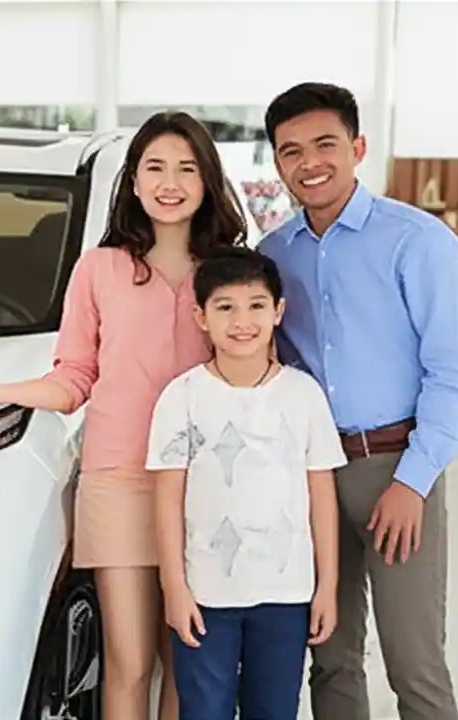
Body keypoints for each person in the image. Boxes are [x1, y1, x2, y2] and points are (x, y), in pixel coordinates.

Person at [0, 111, 248, 720]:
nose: (170, 182)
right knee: (128, 662)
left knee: (191, 660)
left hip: (212, 482)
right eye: (155, 167)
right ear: (133, 181)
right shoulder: (99, 270)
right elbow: (75, 378)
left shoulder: (231, 272)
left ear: (208, 180)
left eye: (187, 168)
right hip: (119, 477)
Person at [258, 81, 458, 720]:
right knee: (329, 657)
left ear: (357, 147)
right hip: (315, 474)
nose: (309, 162)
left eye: (325, 144)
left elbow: (451, 374)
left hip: (396, 468)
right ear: (277, 163)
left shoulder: (418, 241)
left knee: (415, 663)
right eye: (290, 150)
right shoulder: (274, 255)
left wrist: (413, 482)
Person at [146, 247, 345, 719]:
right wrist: (174, 588)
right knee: (204, 710)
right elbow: (167, 501)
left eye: (256, 305)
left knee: (274, 711)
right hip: (206, 594)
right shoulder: (182, 398)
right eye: (225, 307)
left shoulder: (303, 394)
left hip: (286, 594)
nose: (242, 321)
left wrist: (327, 586)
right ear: (200, 316)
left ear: (278, 311)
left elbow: (322, 498)